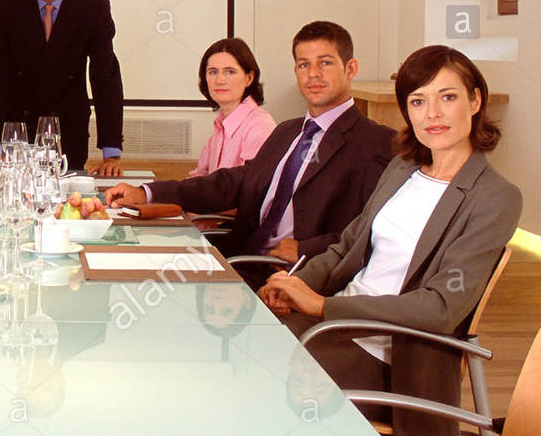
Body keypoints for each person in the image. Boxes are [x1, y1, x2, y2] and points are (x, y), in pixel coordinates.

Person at [259, 45, 522, 436]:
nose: (431, 113)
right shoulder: (403, 168)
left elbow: (439, 308)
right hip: (333, 326)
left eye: (447, 97)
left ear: (475, 101)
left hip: (390, 355)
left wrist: (323, 305)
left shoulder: (494, 196)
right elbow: (347, 245)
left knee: (260, 389)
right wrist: (292, 284)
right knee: (233, 351)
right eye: (418, 101)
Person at [105, 21, 393, 273]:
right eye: (304, 64)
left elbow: (375, 230)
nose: (313, 74)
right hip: (242, 256)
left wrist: (307, 249)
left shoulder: (375, 143)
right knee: (132, 262)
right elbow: (231, 183)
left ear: (351, 68)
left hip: (293, 273)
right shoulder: (287, 132)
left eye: (325, 63)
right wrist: (147, 192)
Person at [0, 0, 125, 176]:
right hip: (16, 132)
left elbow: (105, 79)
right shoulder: (5, 7)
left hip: (68, 131)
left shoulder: (93, 8)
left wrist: (111, 152)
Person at [189, 37, 276, 177]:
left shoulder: (260, 126)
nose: (220, 80)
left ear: (249, 78)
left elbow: (248, 189)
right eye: (213, 72)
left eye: (230, 72)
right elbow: (198, 181)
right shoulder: (220, 128)